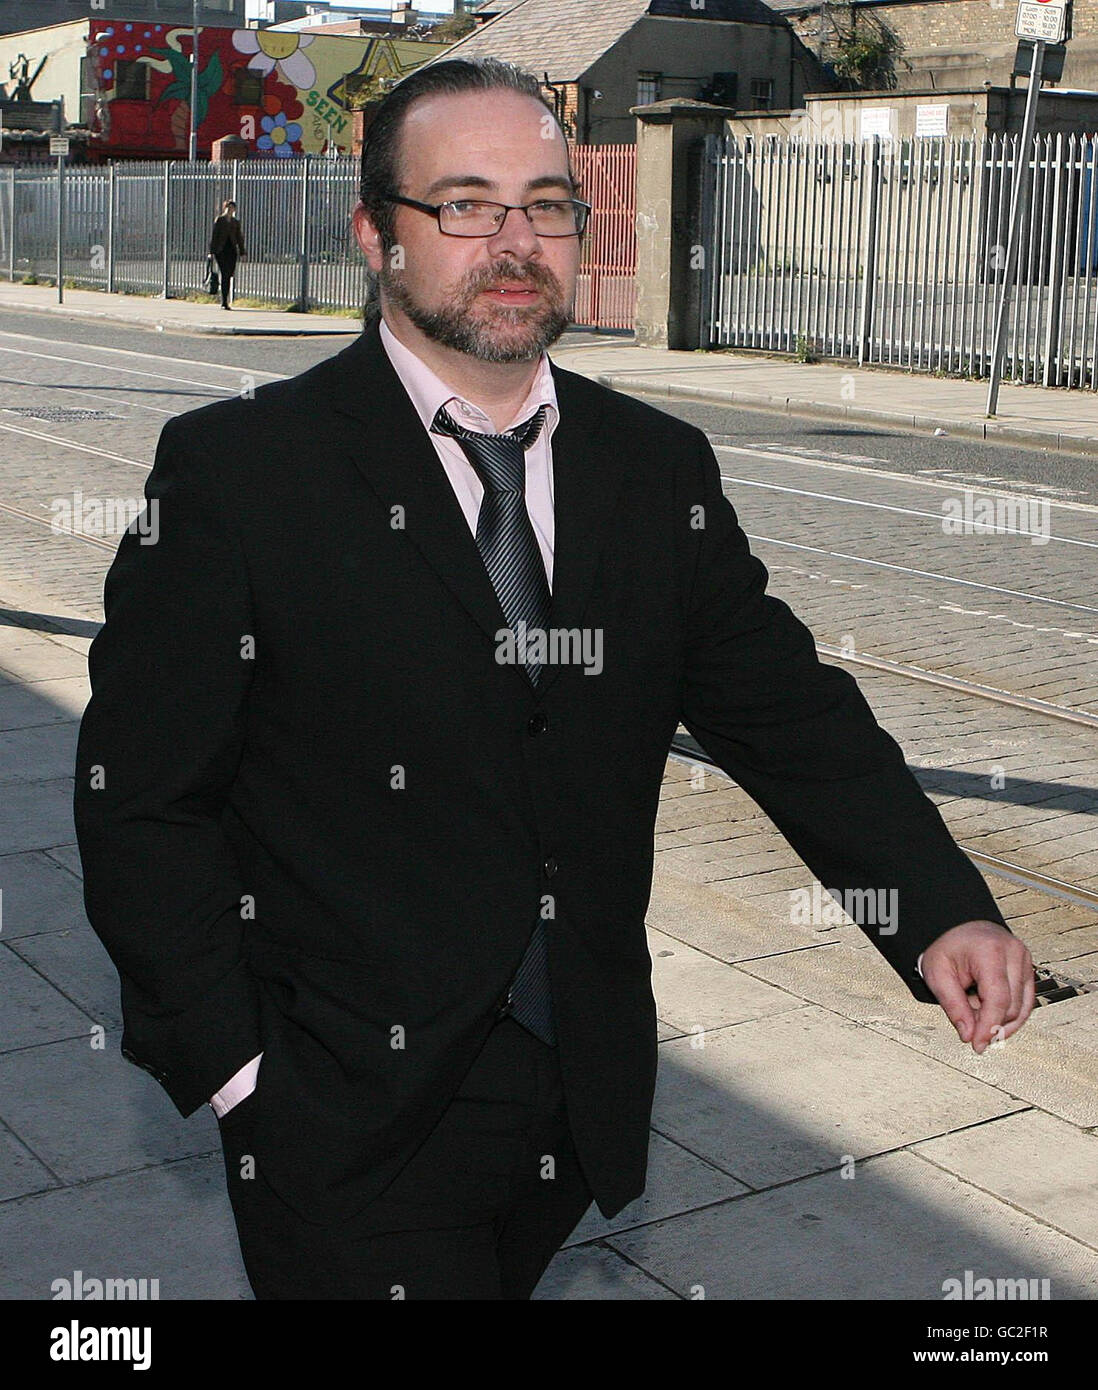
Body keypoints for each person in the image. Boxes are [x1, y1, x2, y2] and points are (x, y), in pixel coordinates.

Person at [74, 58, 1035, 1301]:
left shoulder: (653, 467)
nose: (515, 241)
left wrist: (939, 908)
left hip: (573, 1099)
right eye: (465, 204)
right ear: (375, 234)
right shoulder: (240, 472)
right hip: (339, 1111)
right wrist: (236, 1069)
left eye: (546, 204)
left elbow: (791, 716)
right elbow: (141, 797)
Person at [209, 198, 245, 310]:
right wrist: (211, 251)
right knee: (224, 273)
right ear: (224, 208)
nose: (230, 210)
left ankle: (225, 299)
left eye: (232, 208)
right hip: (221, 251)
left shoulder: (235, 222)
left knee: (228, 275)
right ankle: (224, 301)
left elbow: (239, 237)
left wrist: (242, 251)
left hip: (231, 251)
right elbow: (214, 236)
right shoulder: (219, 220)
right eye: (228, 207)